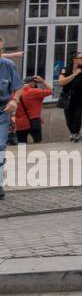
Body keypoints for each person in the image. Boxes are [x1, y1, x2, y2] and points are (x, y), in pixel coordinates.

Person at [56, 50, 82, 142]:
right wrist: (75, 74)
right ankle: (72, 132)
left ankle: (76, 134)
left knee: (77, 115)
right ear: (75, 60)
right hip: (68, 96)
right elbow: (61, 82)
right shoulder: (65, 69)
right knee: (69, 117)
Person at [0, 37, 21, 198]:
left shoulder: (8, 66)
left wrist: (14, 100)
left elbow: (18, 87)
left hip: (2, 110)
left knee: (0, 147)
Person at [12, 75, 50, 144]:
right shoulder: (34, 91)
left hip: (20, 123)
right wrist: (42, 81)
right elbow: (50, 91)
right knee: (37, 143)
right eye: (35, 82)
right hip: (34, 122)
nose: (35, 84)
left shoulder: (15, 93)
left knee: (22, 145)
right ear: (31, 83)